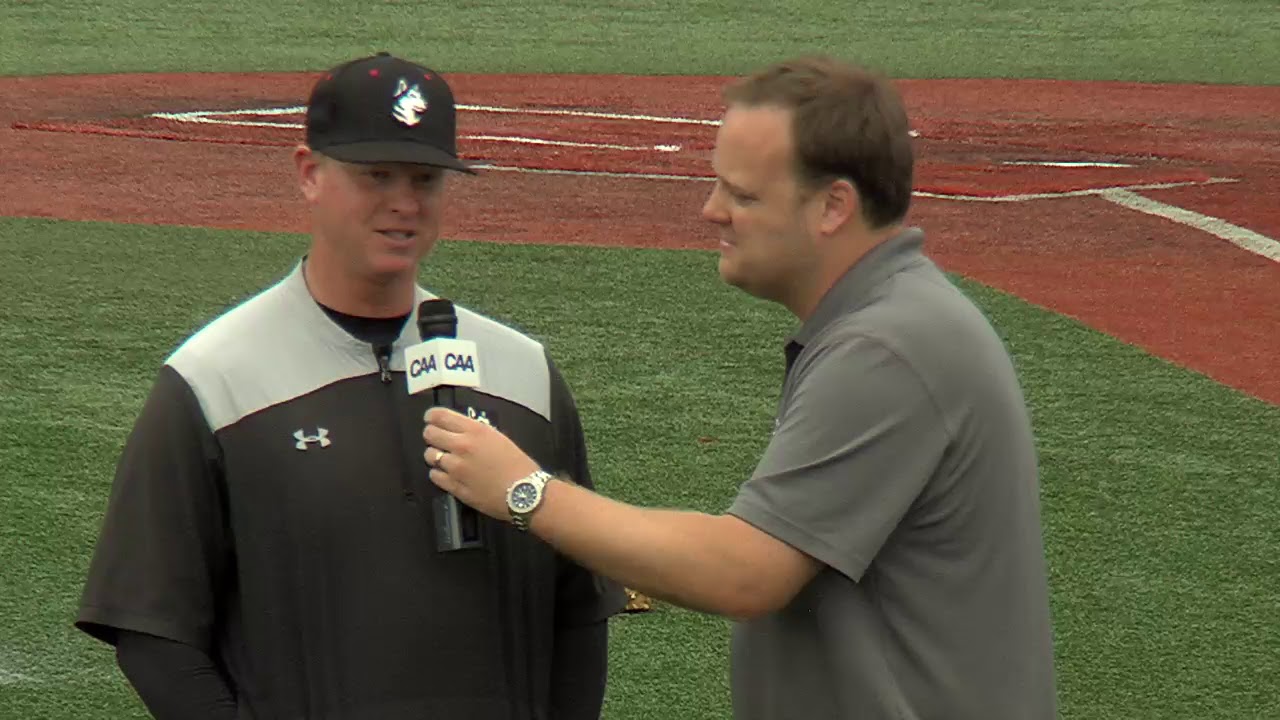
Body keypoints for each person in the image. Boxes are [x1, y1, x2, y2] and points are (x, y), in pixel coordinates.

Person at [418, 55, 1058, 720]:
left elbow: (745, 572)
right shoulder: (896, 322)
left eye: (744, 195)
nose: (712, 211)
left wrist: (525, 491)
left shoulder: (887, 348)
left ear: (834, 206)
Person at [75, 51, 627, 720]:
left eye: (425, 177)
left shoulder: (522, 374)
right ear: (310, 174)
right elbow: (152, 632)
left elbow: (578, 611)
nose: (403, 203)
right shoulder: (217, 379)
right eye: (376, 175)